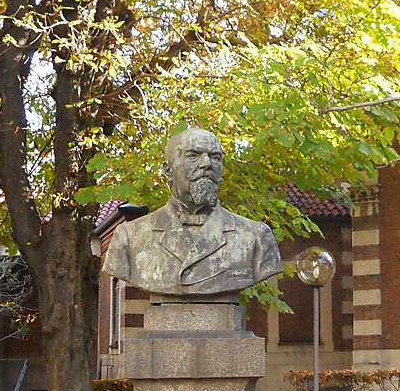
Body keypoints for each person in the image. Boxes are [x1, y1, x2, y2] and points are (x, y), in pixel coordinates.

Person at [101, 127, 283, 297]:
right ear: (168, 171)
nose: (206, 164)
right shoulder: (129, 238)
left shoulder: (256, 237)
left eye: (215, 157)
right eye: (193, 156)